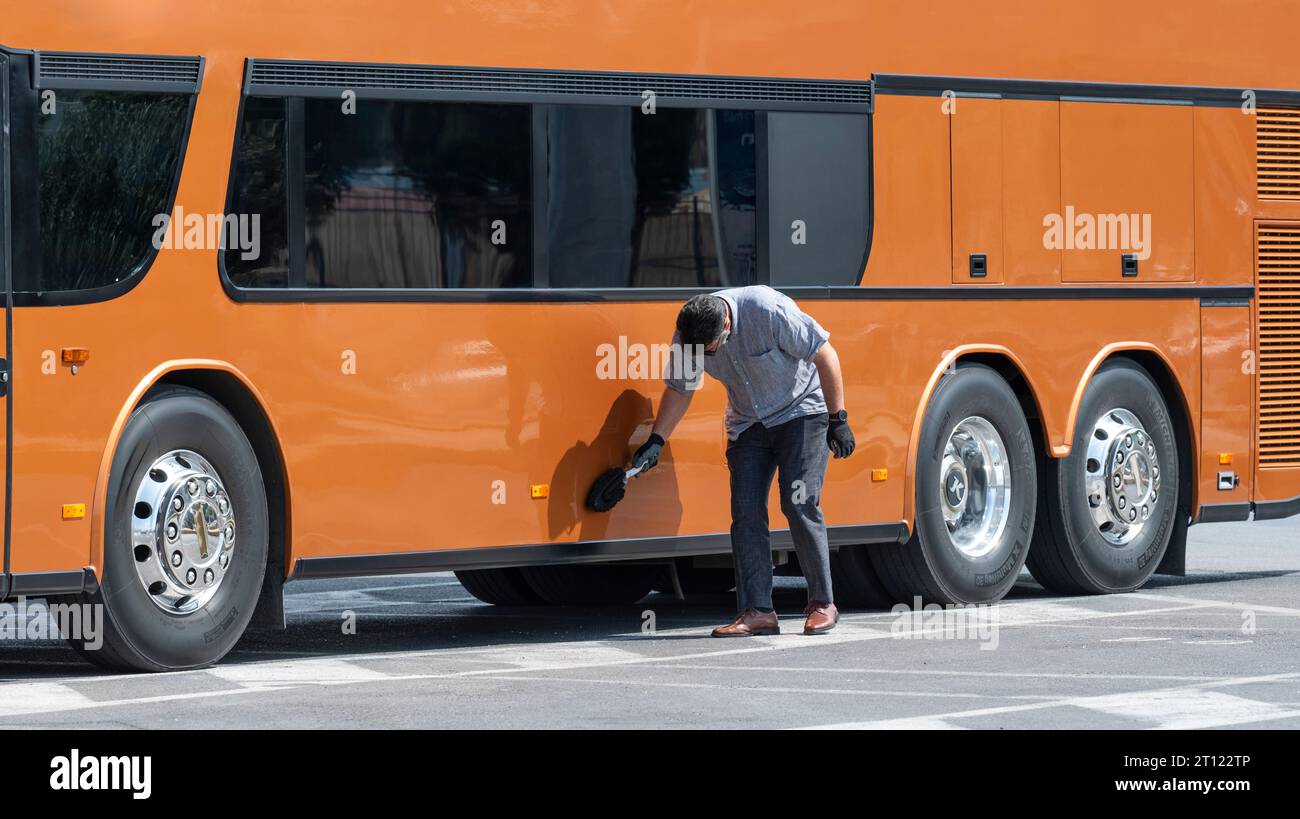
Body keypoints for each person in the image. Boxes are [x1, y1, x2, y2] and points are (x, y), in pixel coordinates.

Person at [631, 286, 855, 636]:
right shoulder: (688, 335)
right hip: (748, 423)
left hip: (801, 413)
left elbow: (825, 354)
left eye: (710, 349)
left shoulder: (768, 310)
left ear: (727, 324)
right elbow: (680, 389)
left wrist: (837, 419)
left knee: (798, 503)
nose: (706, 355)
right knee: (746, 512)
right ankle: (758, 611)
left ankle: (822, 604)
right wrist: (656, 441)